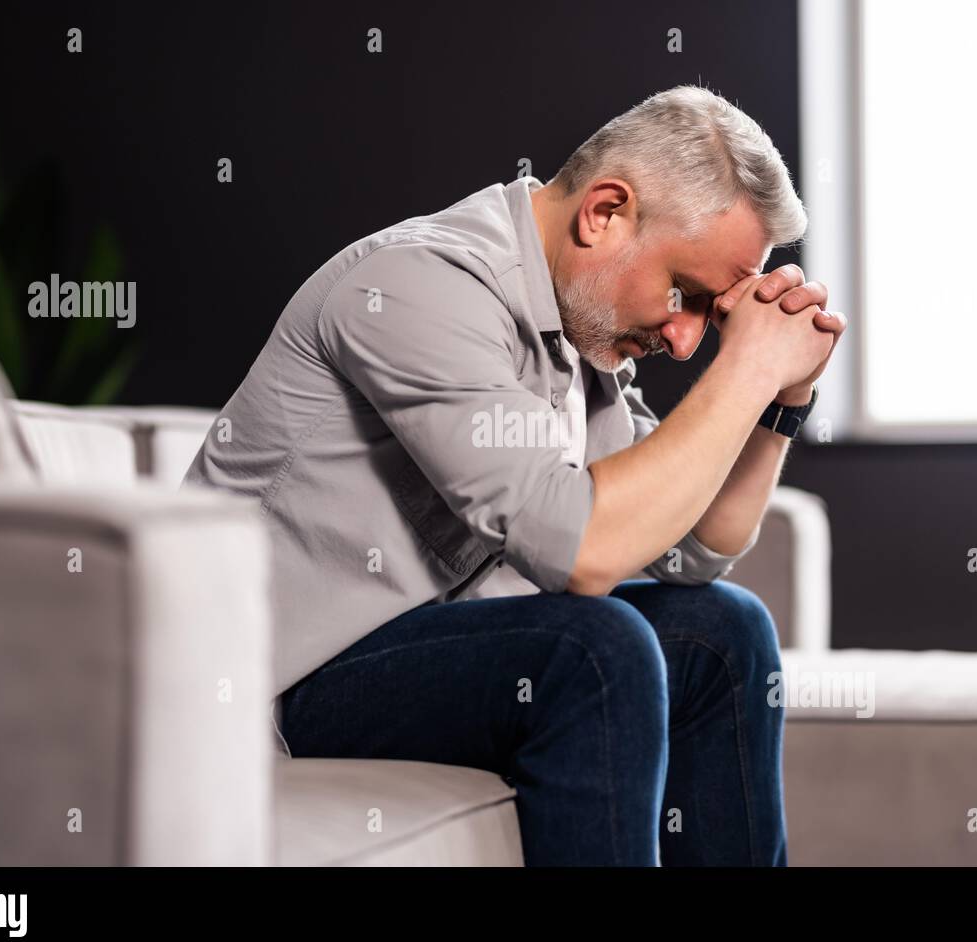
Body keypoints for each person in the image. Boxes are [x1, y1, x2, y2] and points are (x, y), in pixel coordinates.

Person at [184, 85, 846, 865]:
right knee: (595, 648)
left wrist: (778, 404)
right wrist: (745, 368)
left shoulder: (577, 338)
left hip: (416, 654)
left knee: (723, 632)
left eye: (711, 313)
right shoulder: (417, 283)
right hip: (278, 680)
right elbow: (584, 547)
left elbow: (692, 550)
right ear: (605, 212)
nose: (686, 338)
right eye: (687, 293)